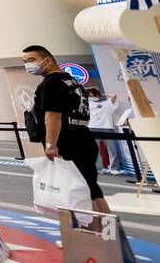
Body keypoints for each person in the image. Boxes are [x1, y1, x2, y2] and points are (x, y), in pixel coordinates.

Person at [23, 45, 111, 214]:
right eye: (25, 62)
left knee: (78, 193)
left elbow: (53, 116)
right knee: (91, 189)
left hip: (67, 144)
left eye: (31, 60)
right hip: (84, 138)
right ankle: (108, 233)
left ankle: (91, 235)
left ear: (47, 60)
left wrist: (50, 144)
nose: (28, 65)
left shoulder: (51, 83)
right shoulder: (70, 80)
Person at [86, 87, 122, 175]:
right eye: (90, 95)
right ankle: (98, 168)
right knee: (95, 150)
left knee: (112, 149)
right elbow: (82, 96)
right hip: (93, 128)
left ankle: (113, 168)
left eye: (93, 94)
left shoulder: (107, 103)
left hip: (107, 128)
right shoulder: (88, 103)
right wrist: (90, 90)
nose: (92, 96)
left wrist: (99, 93)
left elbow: (114, 96)